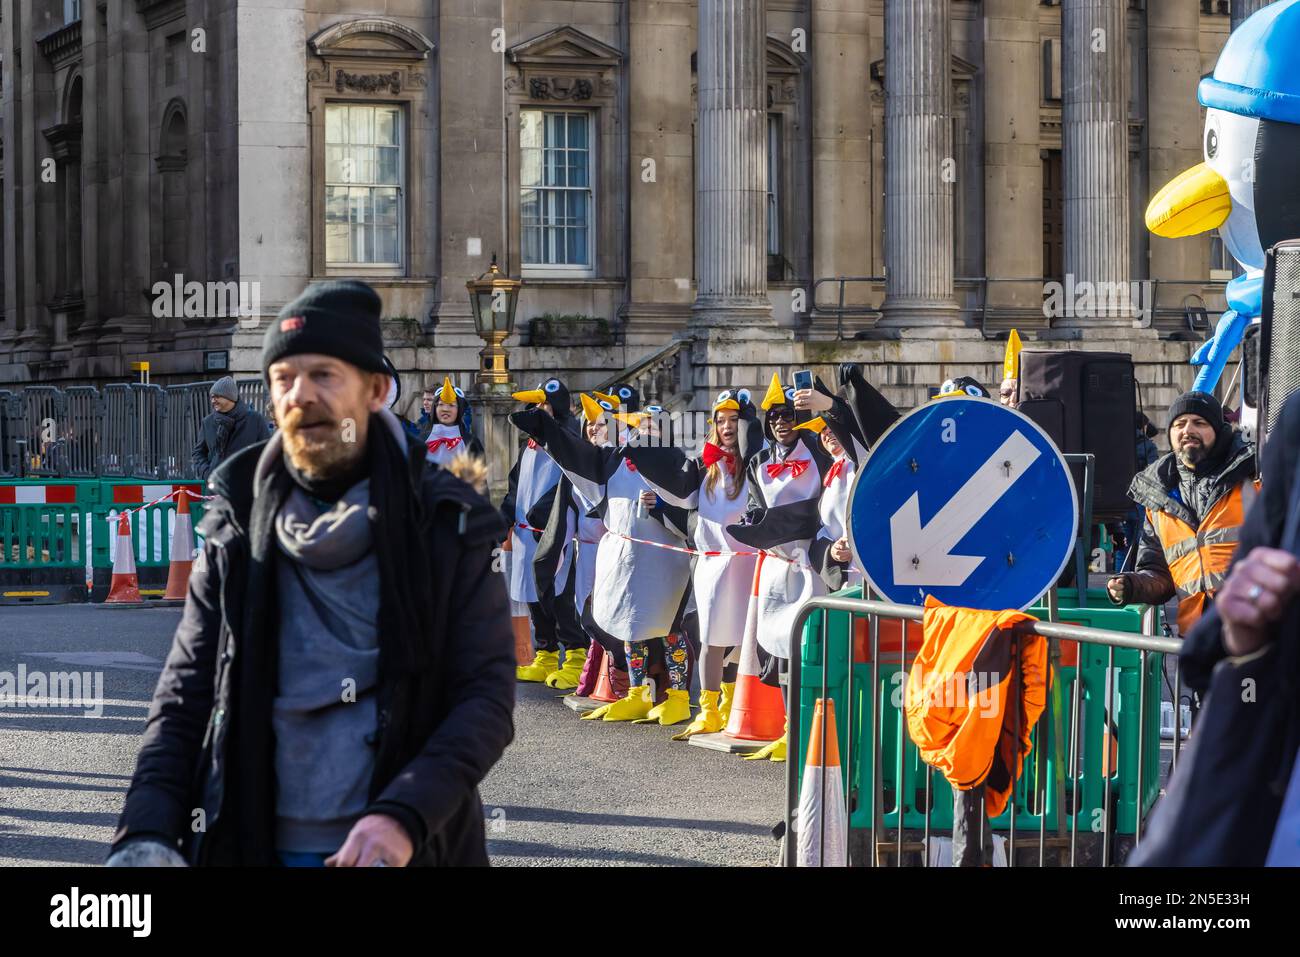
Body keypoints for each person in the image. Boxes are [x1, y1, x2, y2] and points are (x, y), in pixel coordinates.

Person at [107, 279, 515, 867]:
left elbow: (483, 697)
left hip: (406, 850)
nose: (300, 395)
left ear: (375, 390)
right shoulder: (236, 518)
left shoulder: (445, 519)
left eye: (324, 374)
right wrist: (144, 832)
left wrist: (403, 816)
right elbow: (184, 694)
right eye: (283, 379)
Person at [511, 388, 695, 725]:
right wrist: (544, 426)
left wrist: (664, 509)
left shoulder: (679, 463)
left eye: (653, 427)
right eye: (642, 426)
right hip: (624, 558)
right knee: (629, 626)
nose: (645, 431)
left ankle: (679, 696)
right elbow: (577, 456)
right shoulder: (615, 460)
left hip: (664, 563)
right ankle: (637, 694)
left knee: (670, 629)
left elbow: (694, 513)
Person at [622, 388, 765, 738]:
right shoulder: (704, 463)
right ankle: (709, 709)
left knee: (745, 639)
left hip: (749, 563)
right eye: (720, 421)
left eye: (734, 420)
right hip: (713, 564)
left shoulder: (759, 462)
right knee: (712, 636)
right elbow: (681, 496)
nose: (727, 427)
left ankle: (736, 704)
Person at [1105, 390, 1256, 637]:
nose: (1188, 430)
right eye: (1179, 424)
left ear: (1219, 430)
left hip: (1257, 635)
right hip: (1195, 639)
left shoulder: (1255, 475)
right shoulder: (1159, 497)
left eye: (1199, 423)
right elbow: (1157, 571)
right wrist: (1132, 585)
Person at [505, 378, 585, 687]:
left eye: (544, 404)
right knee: (532, 595)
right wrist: (504, 514)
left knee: (558, 594)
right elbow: (516, 485)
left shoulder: (566, 442)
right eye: (535, 405)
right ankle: (547, 653)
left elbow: (571, 483)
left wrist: (544, 511)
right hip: (526, 534)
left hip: (551, 531)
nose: (538, 409)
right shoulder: (530, 444)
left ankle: (576, 654)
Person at [191, 376, 272, 480]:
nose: (213, 401)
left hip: (246, 488)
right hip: (215, 487)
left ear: (230, 397)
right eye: (212, 397)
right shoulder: (208, 422)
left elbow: (267, 451)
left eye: (217, 397)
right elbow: (198, 453)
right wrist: (206, 473)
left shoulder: (255, 420)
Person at [423, 376, 485, 468]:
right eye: (441, 404)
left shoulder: (471, 443)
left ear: (459, 409)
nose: (445, 409)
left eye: (451, 405)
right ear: (434, 408)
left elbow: (479, 478)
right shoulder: (421, 439)